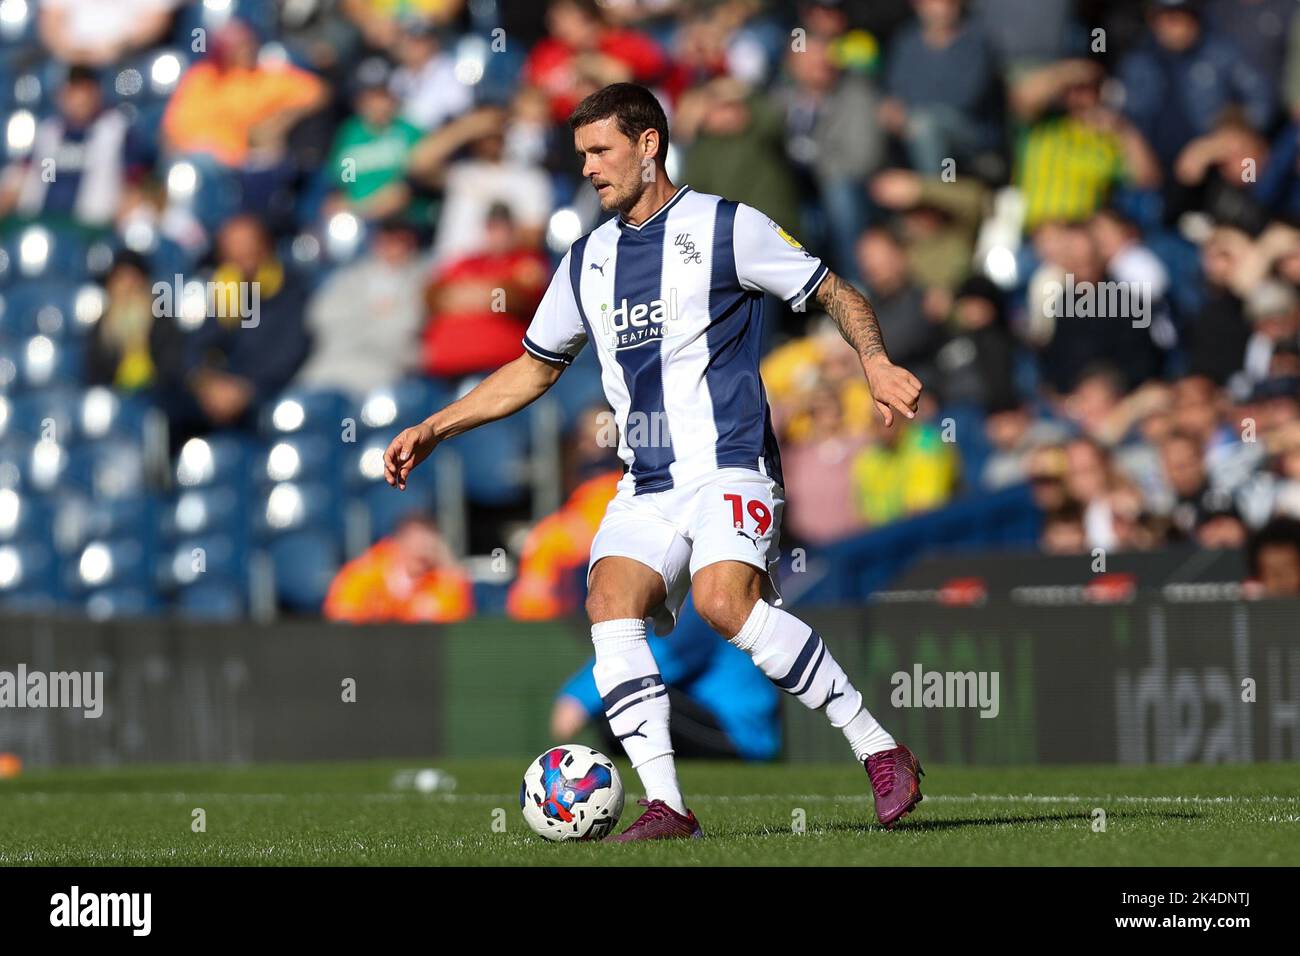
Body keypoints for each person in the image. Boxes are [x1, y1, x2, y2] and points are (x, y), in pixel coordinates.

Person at [384, 83, 925, 839]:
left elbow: (835, 291)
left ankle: (880, 749)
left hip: (732, 464)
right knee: (609, 602)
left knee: (723, 604)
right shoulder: (587, 261)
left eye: (602, 151)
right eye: (581, 156)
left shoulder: (725, 227)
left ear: (649, 146)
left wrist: (873, 361)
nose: (591, 169)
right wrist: (438, 424)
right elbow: (534, 367)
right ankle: (668, 806)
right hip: (649, 481)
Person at [324, 513, 473, 622]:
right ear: (398, 542)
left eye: (429, 545)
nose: (423, 550)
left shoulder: (439, 582)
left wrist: (450, 571)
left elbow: (456, 619)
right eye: (416, 541)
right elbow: (342, 616)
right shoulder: (364, 574)